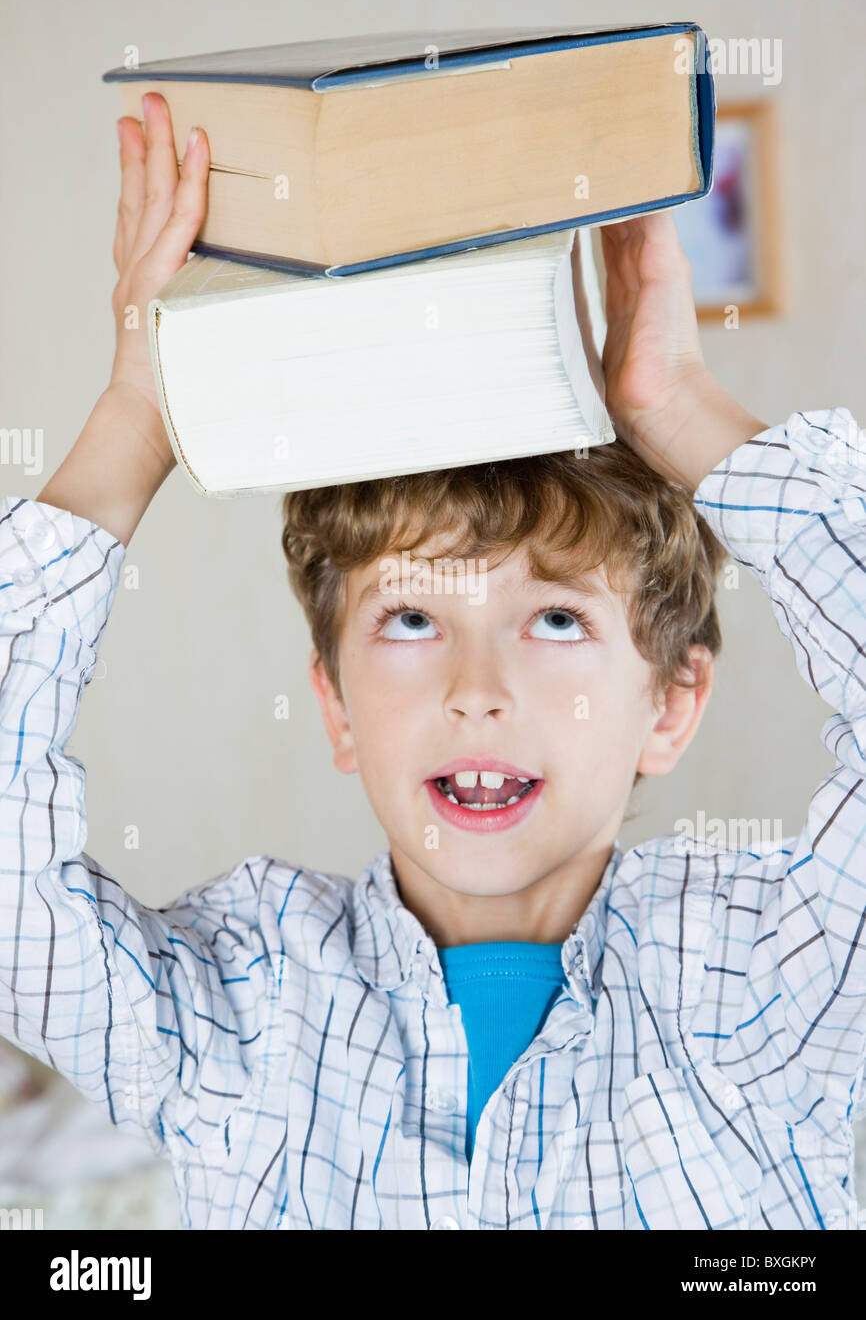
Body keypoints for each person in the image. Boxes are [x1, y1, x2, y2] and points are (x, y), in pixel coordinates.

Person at [0, 92, 863, 1230]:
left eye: (554, 620)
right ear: (335, 705)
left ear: (670, 700)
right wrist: (138, 414)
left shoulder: (764, 976)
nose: (476, 689)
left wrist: (678, 403)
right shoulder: (242, 1010)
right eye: (410, 621)